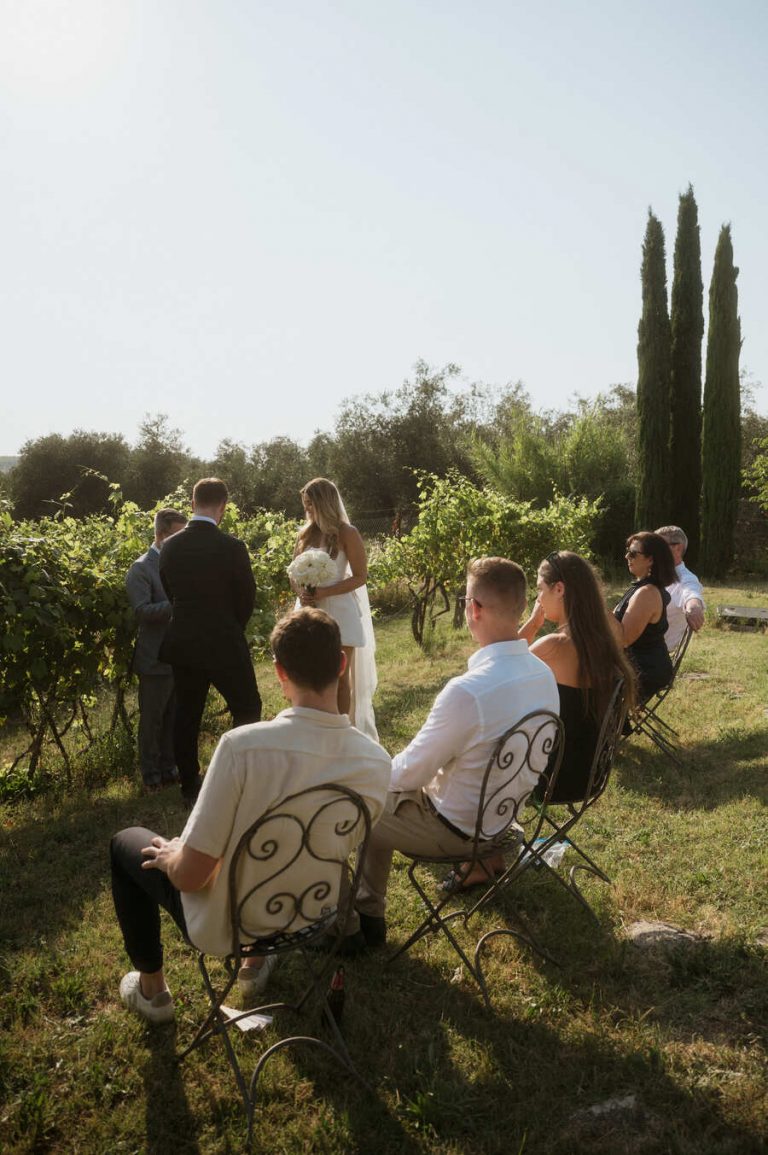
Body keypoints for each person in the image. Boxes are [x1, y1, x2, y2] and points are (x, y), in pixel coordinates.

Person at [110, 608, 391, 1024]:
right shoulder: (376, 761)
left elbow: (190, 877)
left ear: (279, 672)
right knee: (272, 846)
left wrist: (172, 855)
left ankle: (153, 993)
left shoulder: (243, 748)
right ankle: (254, 964)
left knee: (126, 842)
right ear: (343, 663)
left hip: (231, 924)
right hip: (312, 914)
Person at [345, 557, 559, 946]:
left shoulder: (468, 691)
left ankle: (364, 916)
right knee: (391, 783)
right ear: (521, 607)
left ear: (473, 608)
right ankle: (364, 909)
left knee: (362, 804)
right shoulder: (543, 674)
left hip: (459, 831)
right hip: (502, 819)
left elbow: (408, 775)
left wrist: (367, 776)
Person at [159, 477, 261, 806]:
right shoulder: (233, 547)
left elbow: (170, 592)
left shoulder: (170, 546)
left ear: (192, 503)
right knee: (247, 707)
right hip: (223, 640)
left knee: (186, 713)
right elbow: (246, 598)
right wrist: (231, 626)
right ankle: (241, 777)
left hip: (184, 641)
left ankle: (189, 786)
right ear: (223, 507)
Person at [519, 550, 637, 802]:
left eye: (540, 589)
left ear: (559, 589)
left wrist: (532, 625)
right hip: (589, 777)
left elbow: (498, 670)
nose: (538, 597)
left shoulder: (554, 646)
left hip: (547, 780)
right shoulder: (604, 642)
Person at [292, 477, 378, 739]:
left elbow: (361, 576)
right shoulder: (305, 533)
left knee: (339, 676)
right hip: (308, 609)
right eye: (305, 505)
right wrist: (302, 593)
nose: (307, 510)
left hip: (340, 610)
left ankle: (341, 735)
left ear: (324, 503)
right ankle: (311, 730)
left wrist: (325, 591)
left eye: (311, 504)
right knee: (307, 674)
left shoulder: (347, 533)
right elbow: (293, 572)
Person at [125, 508, 187, 792]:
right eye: (177, 534)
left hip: (178, 654)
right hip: (155, 656)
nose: (182, 540)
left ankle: (169, 768)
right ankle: (150, 775)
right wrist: (177, 604)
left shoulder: (180, 564)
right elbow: (141, 611)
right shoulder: (141, 568)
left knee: (173, 716)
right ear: (161, 535)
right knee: (151, 720)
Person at [613, 531, 677, 702]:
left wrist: (595, 604)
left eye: (633, 553)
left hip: (644, 671)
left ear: (651, 560)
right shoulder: (641, 587)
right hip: (637, 666)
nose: (627, 556)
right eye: (627, 551)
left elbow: (623, 639)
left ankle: (598, 725)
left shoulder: (647, 593)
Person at [655, 525, 705, 651]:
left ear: (677, 548)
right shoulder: (657, 576)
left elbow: (691, 592)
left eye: (658, 546)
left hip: (647, 656)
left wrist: (694, 607)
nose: (652, 551)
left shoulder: (685, 579)